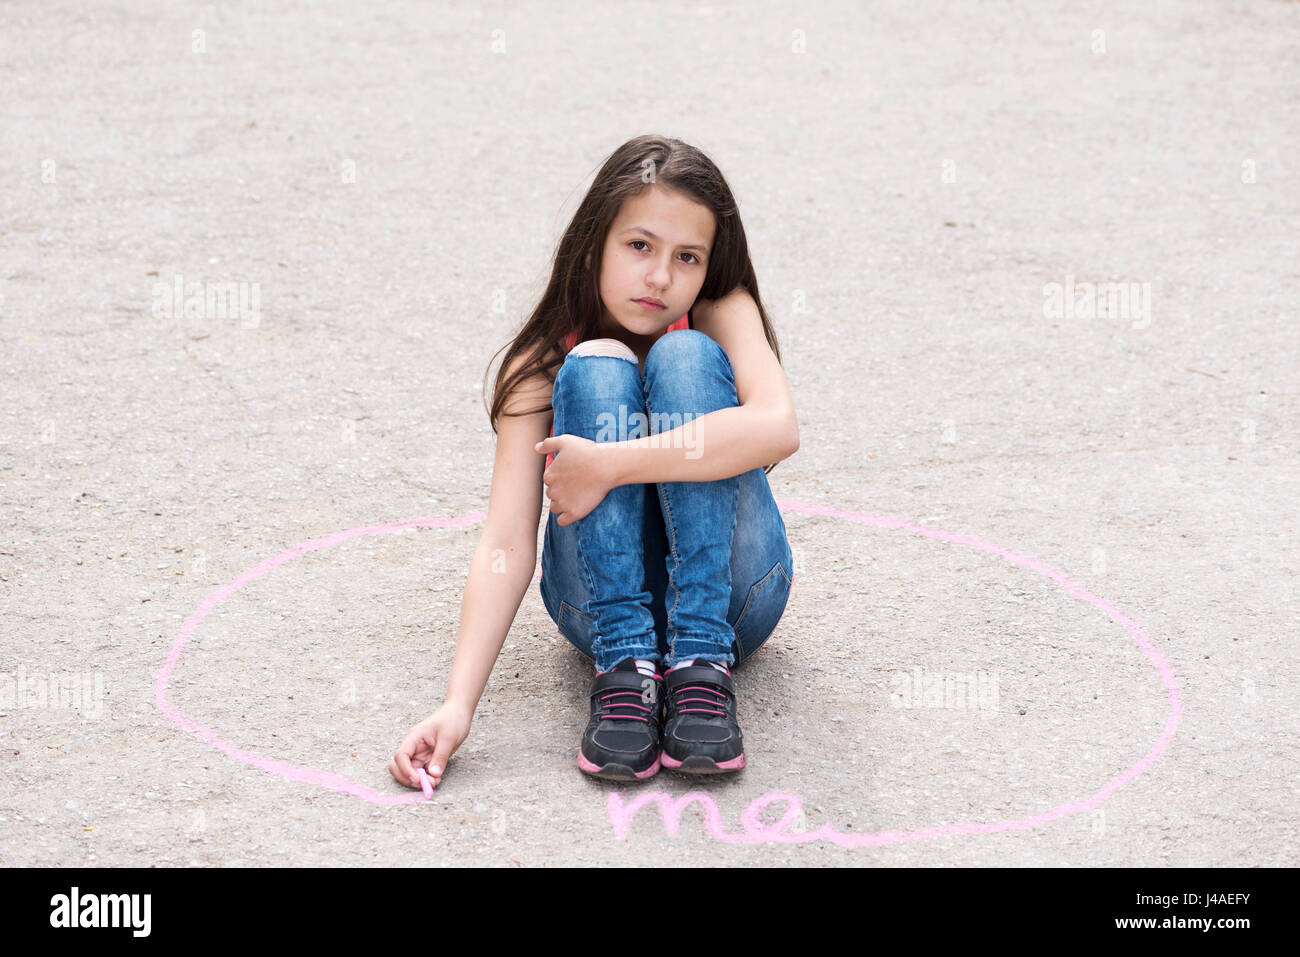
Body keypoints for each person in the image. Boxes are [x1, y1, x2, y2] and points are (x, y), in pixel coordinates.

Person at [389, 134, 798, 788]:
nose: (661, 276)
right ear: (594, 243)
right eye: (639, 246)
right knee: (593, 366)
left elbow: (778, 427)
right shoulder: (542, 361)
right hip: (598, 613)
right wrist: (457, 704)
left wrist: (611, 463)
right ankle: (627, 667)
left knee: (684, 359)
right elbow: (505, 540)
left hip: (732, 600)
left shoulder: (718, 309)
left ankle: (699, 661)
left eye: (686, 256)